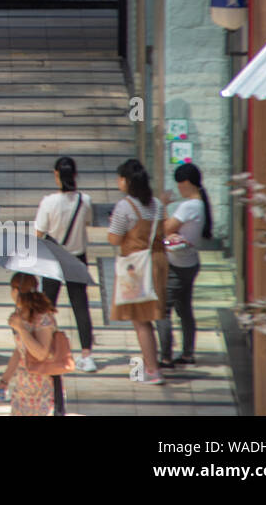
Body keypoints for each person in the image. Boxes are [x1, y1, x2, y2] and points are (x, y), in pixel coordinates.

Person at [34, 156, 97, 372]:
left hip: (53, 258)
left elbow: (39, 233)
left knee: (47, 305)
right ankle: (87, 355)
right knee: (81, 306)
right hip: (77, 258)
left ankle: (46, 347)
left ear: (56, 175)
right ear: (76, 175)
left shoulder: (49, 202)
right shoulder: (85, 200)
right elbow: (88, 221)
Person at [108, 158, 168, 384]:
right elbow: (161, 233)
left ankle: (152, 369)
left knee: (141, 320)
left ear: (126, 181)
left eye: (120, 178)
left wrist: (112, 224)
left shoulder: (125, 206)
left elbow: (114, 238)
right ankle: (154, 364)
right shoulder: (157, 204)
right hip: (156, 263)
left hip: (135, 267)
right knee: (149, 317)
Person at [158, 162, 211, 370]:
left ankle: (165, 357)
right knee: (185, 310)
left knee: (163, 311)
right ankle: (188, 352)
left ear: (187, 183)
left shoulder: (189, 206)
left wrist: (162, 205)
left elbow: (165, 228)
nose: (179, 188)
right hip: (190, 263)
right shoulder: (200, 204)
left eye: (180, 184)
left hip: (177, 266)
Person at [5, 273, 59, 416]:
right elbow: (19, 351)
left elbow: (41, 354)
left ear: (16, 291)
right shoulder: (20, 314)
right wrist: (4, 380)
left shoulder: (43, 318)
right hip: (22, 387)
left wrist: (21, 329)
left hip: (42, 388)